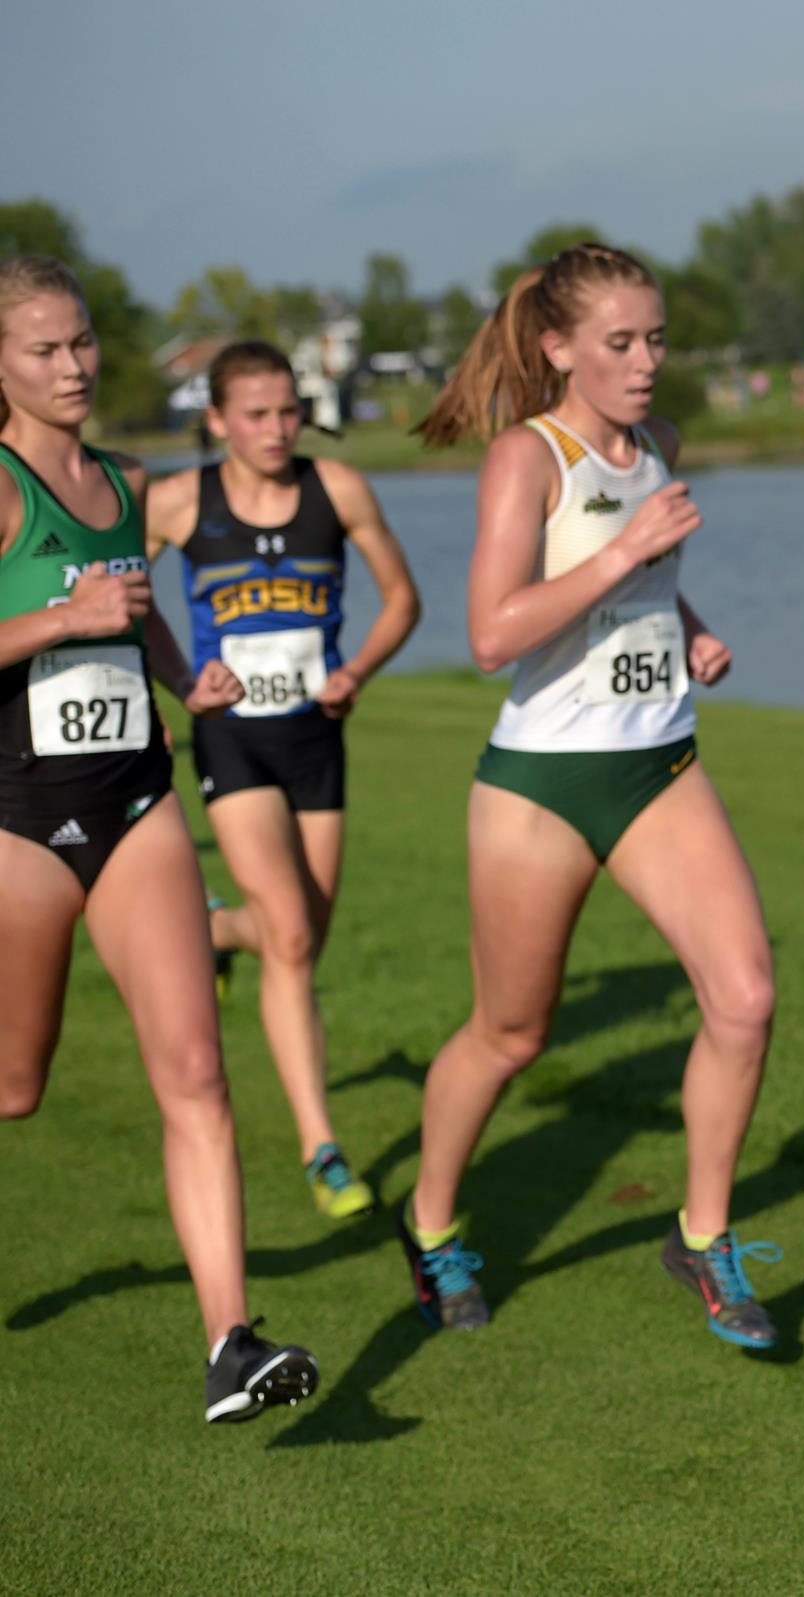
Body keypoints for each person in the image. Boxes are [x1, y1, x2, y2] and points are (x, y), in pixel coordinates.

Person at [399, 243, 780, 1347]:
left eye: (655, 338)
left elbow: (644, 576)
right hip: (542, 786)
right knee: (512, 1032)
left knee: (745, 999)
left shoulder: (659, 445)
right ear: (559, 347)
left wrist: (688, 626)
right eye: (620, 342)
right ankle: (431, 1226)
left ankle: (703, 1236)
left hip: (660, 764)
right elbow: (490, 633)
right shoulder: (528, 458)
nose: (646, 360)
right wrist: (626, 555)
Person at [0, 255, 318, 1422]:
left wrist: (188, 679)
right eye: (44, 348)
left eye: (82, 341)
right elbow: (80, 615)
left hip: (137, 800)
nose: (73, 365)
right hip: (18, 818)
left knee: (194, 1071)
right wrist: (61, 616)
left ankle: (231, 1341)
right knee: (15, 1086)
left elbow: (132, 623)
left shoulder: (128, 481)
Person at [148, 339, 422, 1220]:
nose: (276, 429)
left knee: (299, 936)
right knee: (294, 936)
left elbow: (403, 599)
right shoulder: (179, 501)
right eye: (256, 414)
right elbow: (123, 596)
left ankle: (215, 931)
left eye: (288, 411)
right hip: (231, 741)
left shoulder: (337, 488)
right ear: (217, 419)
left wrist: (357, 671)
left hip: (316, 740)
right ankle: (322, 1148)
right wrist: (177, 681)